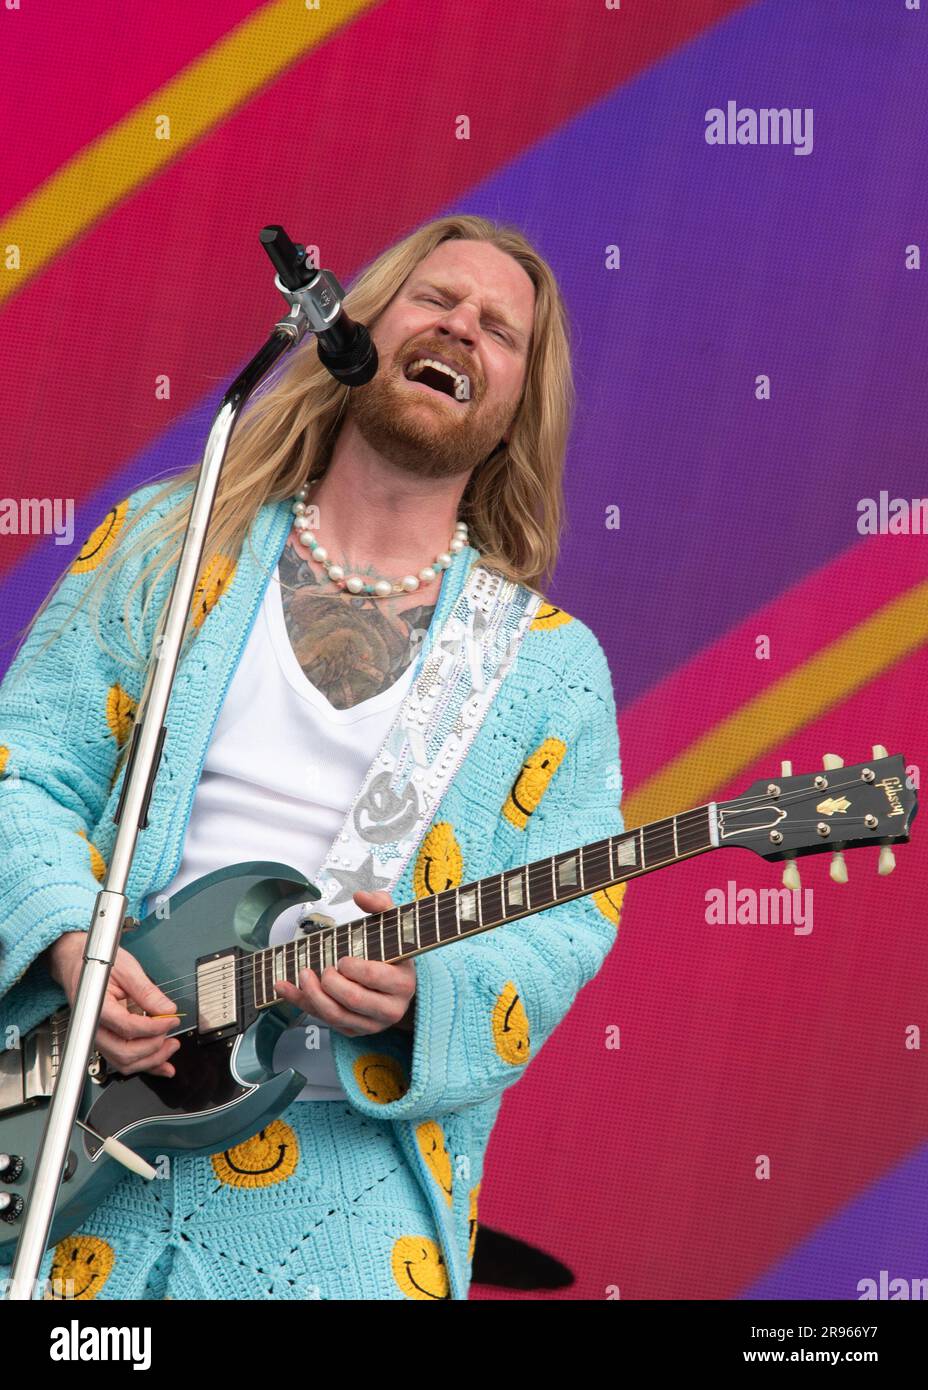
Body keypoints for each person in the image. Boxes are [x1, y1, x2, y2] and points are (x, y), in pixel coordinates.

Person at [0, 215, 627, 1301]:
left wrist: (419, 990)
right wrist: (71, 944)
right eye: (435, 300)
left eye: (500, 329)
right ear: (358, 327)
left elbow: (565, 932)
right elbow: (24, 764)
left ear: (521, 405)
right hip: (70, 1117)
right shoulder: (168, 541)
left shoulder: (547, 669)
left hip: (349, 1200)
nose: (461, 328)